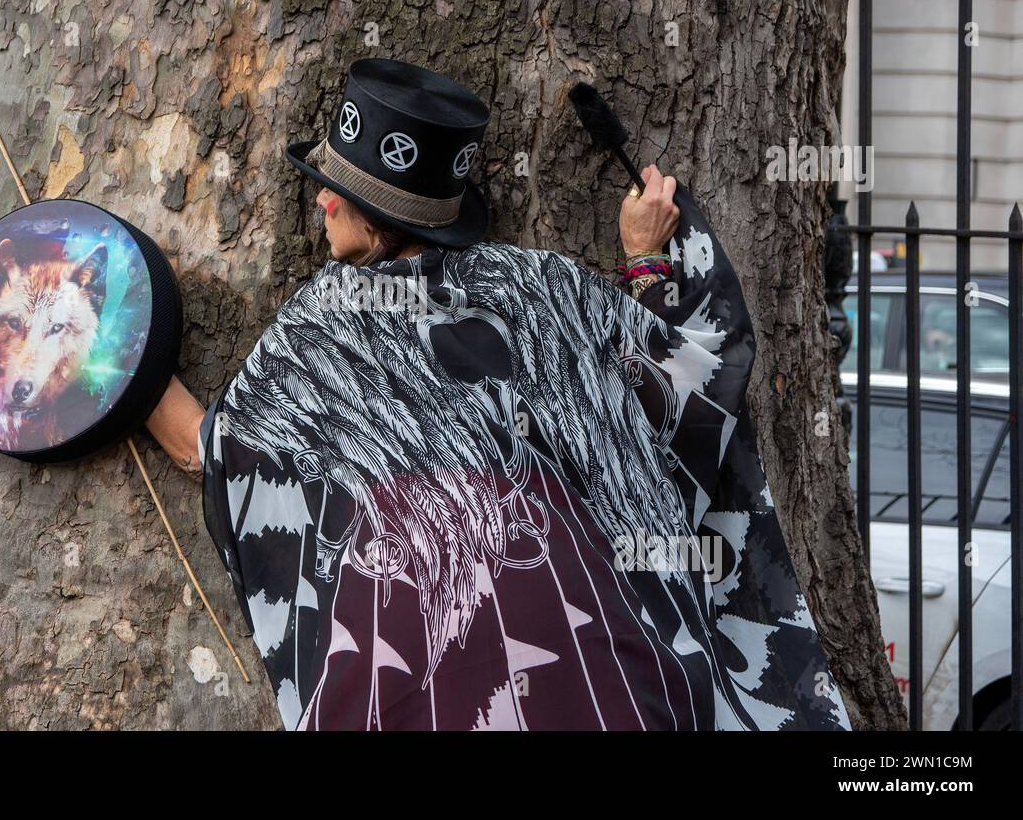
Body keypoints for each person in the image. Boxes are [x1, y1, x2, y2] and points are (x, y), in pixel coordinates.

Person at [146, 58, 851, 731]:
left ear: (378, 217)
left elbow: (210, 449)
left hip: (430, 687)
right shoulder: (544, 290)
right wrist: (646, 260)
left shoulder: (316, 332)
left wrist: (113, 365)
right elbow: (688, 382)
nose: (322, 199)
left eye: (339, 190)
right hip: (608, 668)